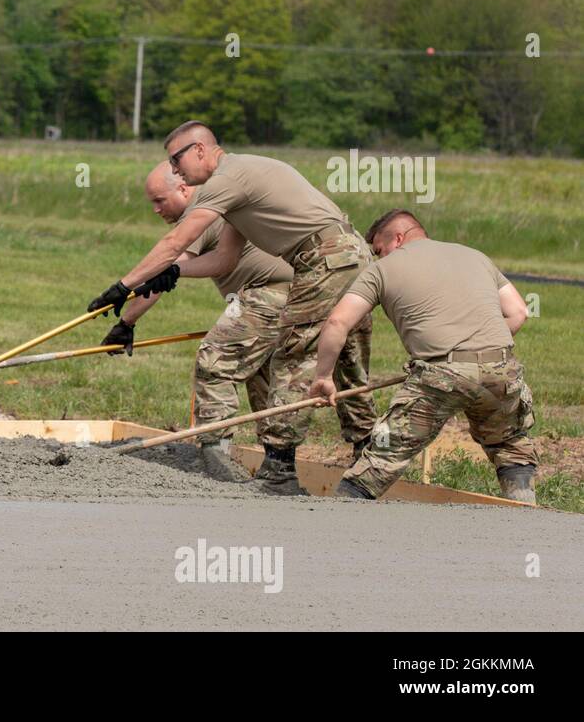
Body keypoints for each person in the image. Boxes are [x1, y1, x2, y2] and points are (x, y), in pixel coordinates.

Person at [87, 120, 376, 495]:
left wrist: (122, 287)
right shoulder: (242, 181)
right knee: (347, 364)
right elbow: (224, 259)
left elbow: (176, 241)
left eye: (176, 160)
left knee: (291, 359)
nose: (176, 170)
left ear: (200, 150)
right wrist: (174, 273)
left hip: (325, 259)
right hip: (346, 258)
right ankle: (369, 459)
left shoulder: (227, 178)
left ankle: (279, 474)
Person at [309, 210, 538, 504]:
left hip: (442, 377)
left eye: (379, 250)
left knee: (382, 456)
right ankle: (524, 507)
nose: (379, 258)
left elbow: (338, 323)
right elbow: (519, 312)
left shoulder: (382, 270)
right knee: (510, 445)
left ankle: (337, 519)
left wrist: (323, 377)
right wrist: (475, 352)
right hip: (502, 369)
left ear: (399, 238)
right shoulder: (475, 256)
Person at [99, 161, 292, 481]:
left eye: (159, 200)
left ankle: (217, 458)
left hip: (267, 293)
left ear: (184, 188)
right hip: (295, 293)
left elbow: (162, 275)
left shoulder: (200, 212)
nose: (155, 210)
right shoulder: (220, 203)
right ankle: (279, 467)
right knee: (262, 376)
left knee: (216, 358)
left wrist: (127, 323)